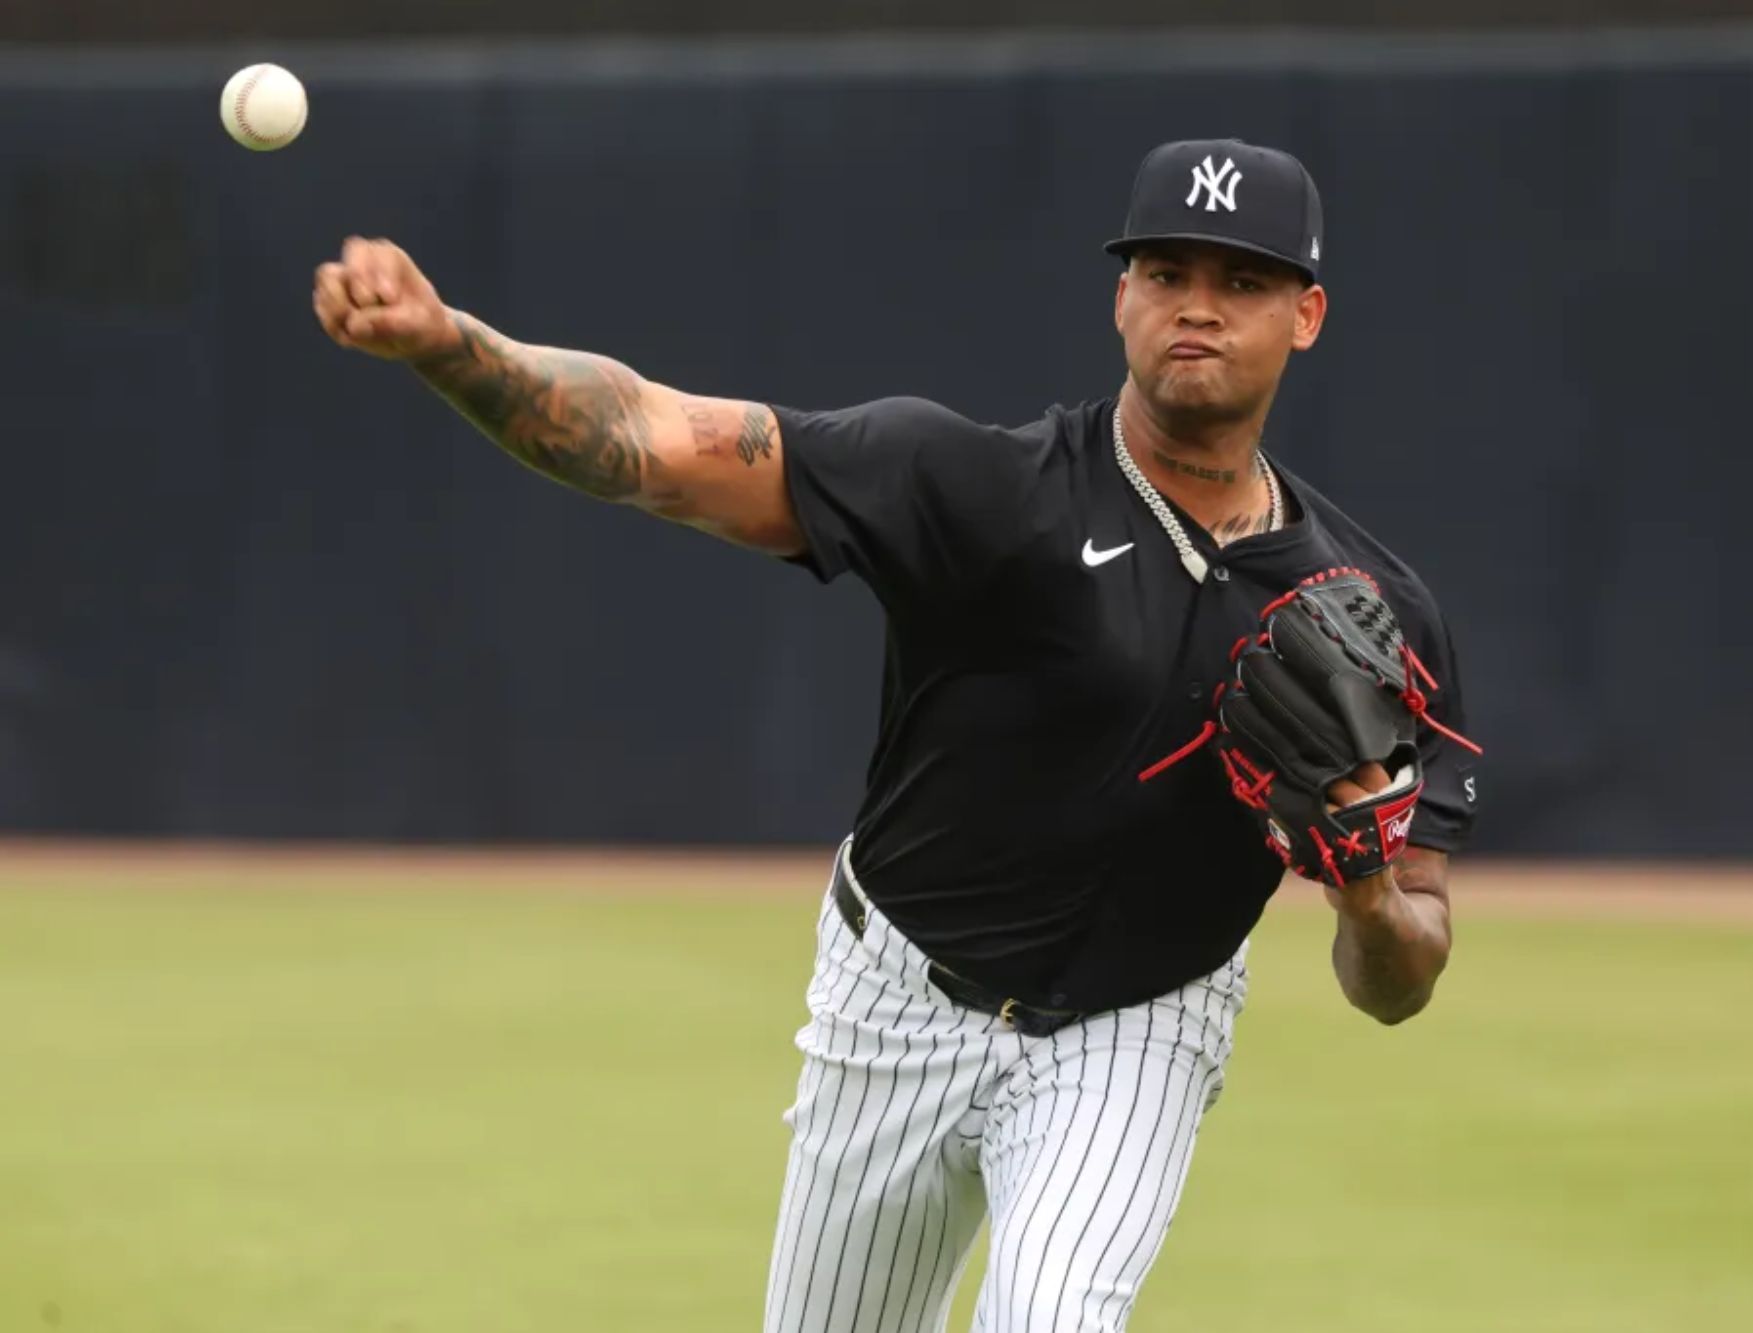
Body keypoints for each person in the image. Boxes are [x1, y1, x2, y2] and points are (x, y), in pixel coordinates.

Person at [312, 136, 1479, 1333]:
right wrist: (449, 344)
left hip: (1140, 1025)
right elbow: (655, 444)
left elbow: (1397, 978)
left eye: (1241, 281)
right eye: (1166, 270)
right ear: (1119, 295)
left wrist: (1366, 889)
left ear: (1307, 314)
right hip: (896, 1001)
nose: (1197, 307)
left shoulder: (1377, 617)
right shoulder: (975, 486)